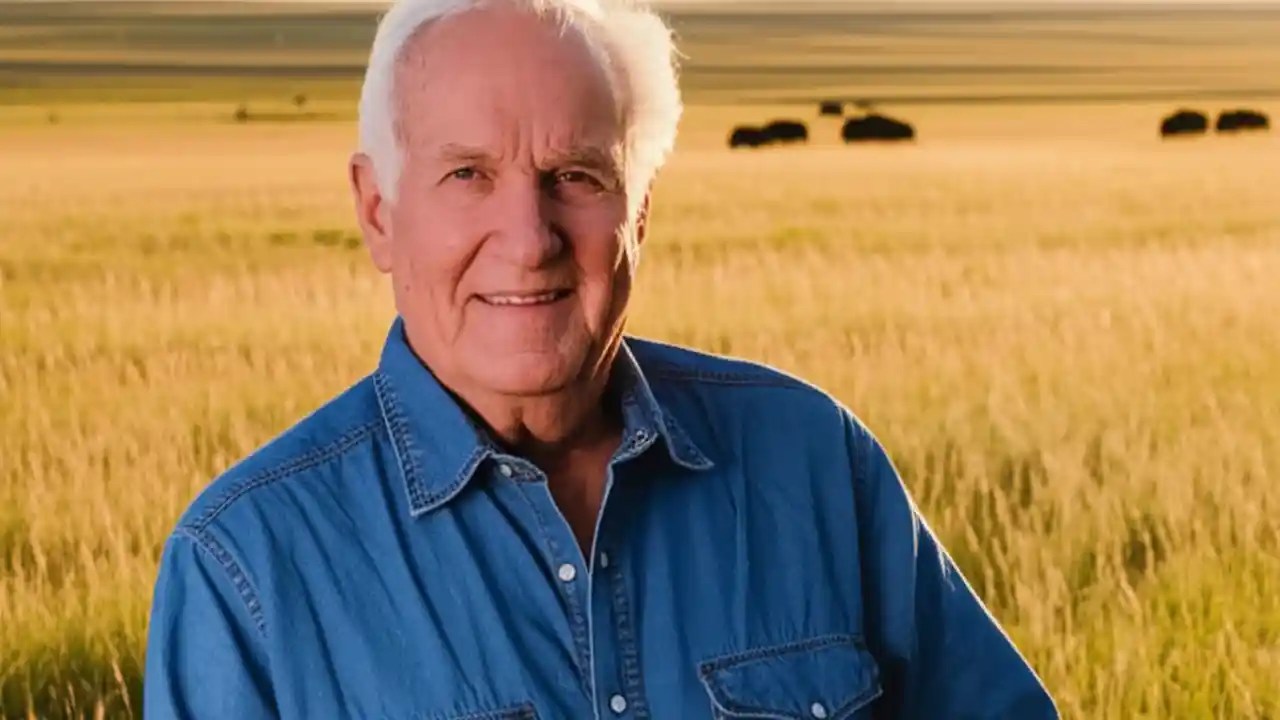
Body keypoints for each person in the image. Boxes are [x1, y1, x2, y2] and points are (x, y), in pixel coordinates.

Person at [144, 0, 1058, 717]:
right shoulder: (247, 567)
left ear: (641, 208)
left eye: (575, 176)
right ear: (378, 210)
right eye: (468, 175)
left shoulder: (814, 460)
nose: (528, 239)